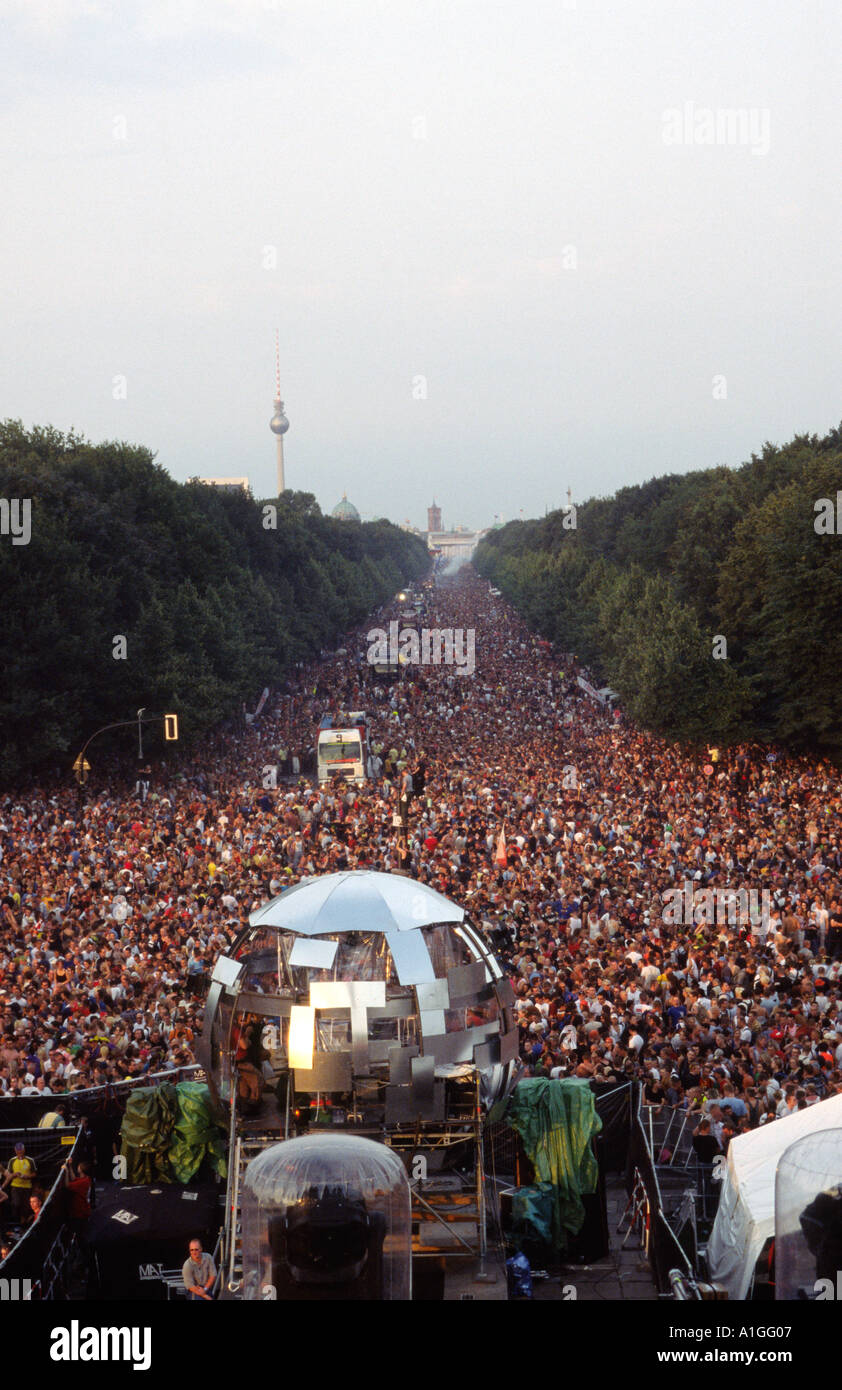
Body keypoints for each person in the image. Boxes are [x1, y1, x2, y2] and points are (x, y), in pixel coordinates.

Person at [2, 1142, 37, 1227]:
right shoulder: (12, 1160)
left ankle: (23, 1225)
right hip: (15, 1186)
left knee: (25, 1207)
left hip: (27, 1187)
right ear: (15, 1150)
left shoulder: (30, 1160)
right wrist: (14, 1175)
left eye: (21, 1150)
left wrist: (27, 1176)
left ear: (24, 1150)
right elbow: (8, 1175)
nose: (19, 1152)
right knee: (16, 1204)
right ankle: (15, 1222)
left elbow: (34, 1174)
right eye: (18, 1150)